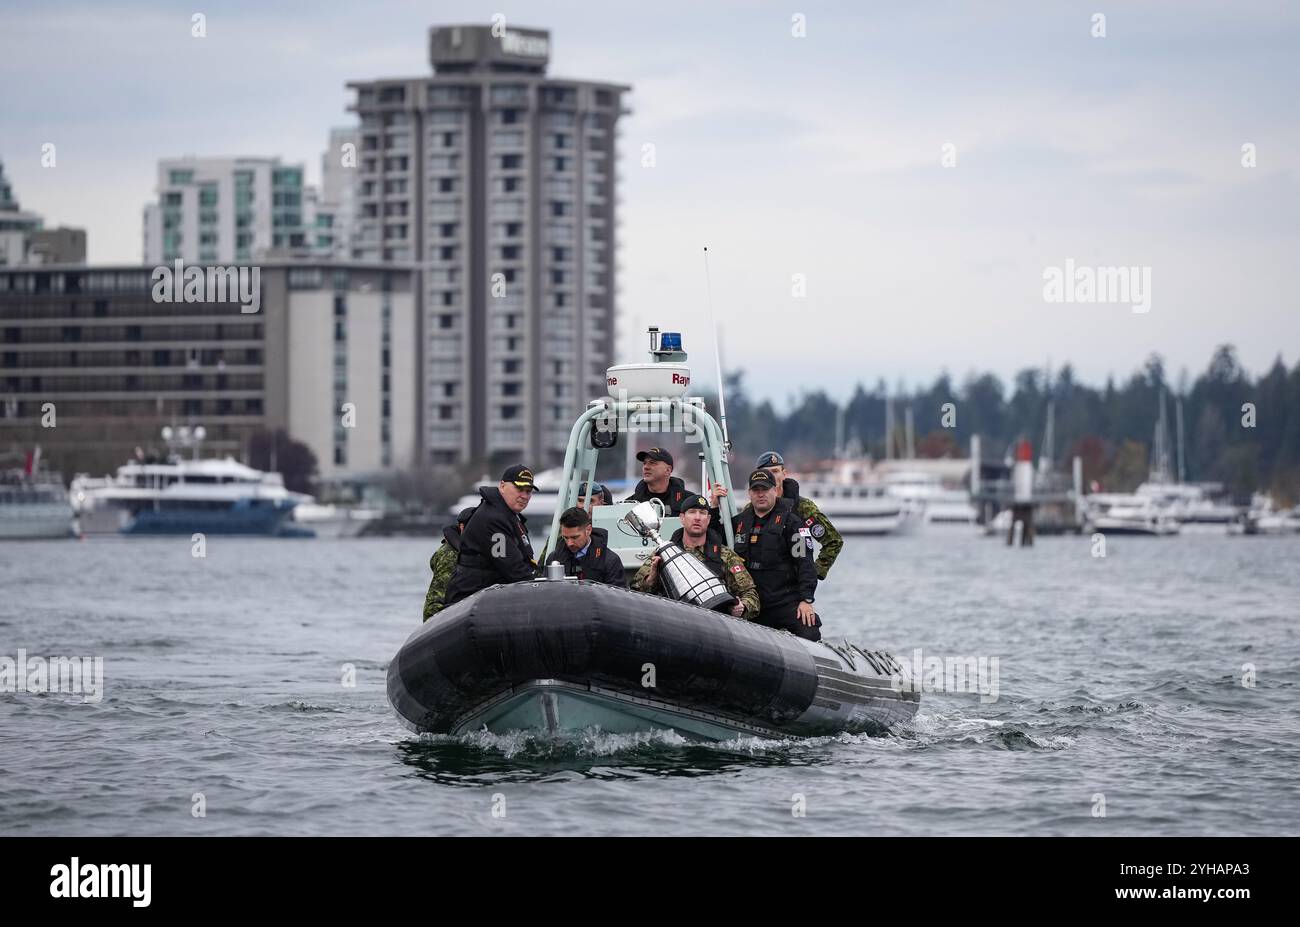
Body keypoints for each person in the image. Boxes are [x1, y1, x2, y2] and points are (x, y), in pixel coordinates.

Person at [713, 450, 842, 581]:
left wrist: (813, 574)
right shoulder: (751, 508)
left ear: (784, 474)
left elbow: (833, 541)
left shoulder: (802, 507)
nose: (772, 476)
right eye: (767, 472)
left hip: (790, 587)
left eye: (775, 471)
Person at [632, 495, 760, 620]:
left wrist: (741, 607)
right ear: (682, 518)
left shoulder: (725, 555)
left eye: (702, 513)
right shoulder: (662, 555)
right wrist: (651, 579)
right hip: (676, 624)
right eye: (692, 512)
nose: (697, 518)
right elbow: (635, 594)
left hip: (716, 625)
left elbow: (750, 593)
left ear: (709, 519)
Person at [731, 469, 821, 640]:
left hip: (786, 601)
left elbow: (805, 562)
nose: (760, 494)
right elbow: (711, 539)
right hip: (754, 603)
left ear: (774, 490)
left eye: (765, 489)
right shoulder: (739, 522)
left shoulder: (793, 523)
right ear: (749, 493)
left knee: (810, 632)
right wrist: (713, 508)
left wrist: (806, 600)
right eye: (756, 490)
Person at [443, 464, 538, 606]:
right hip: (468, 600)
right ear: (502, 486)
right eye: (519, 489)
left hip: (487, 598)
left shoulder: (508, 516)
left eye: (528, 491)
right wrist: (537, 590)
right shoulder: (493, 519)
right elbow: (513, 568)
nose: (524, 496)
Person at [546, 506, 627, 587]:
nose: (569, 543)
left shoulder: (610, 561)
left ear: (588, 530)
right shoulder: (554, 558)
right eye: (565, 537)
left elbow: (618, 595)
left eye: (575, 537)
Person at [422, 506, 476, 621]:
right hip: (440, 619)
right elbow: (436, 597)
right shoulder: (450, 554)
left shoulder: (470, 550)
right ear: (462, 527)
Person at [623, 447, 694, 515]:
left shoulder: (690, 502)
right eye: (644, 463)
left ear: (668, 470)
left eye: (652, 463)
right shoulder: (629, 505)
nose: (646, 467)